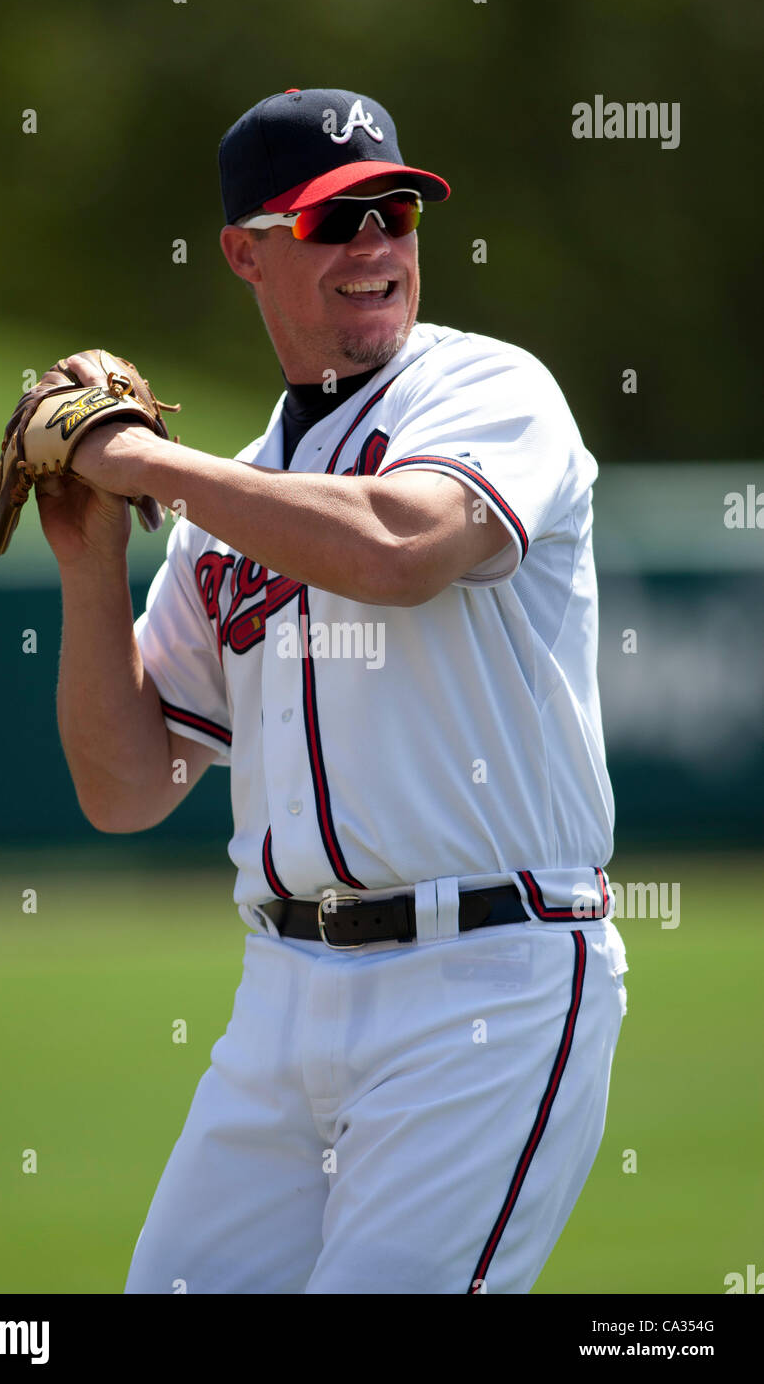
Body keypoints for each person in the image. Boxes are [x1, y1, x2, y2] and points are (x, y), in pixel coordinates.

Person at [32, 87, 628, 1295]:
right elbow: (125, 786)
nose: (374, 246)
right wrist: (89, 549)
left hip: (485, 981)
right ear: (245, 252)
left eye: (392, 211)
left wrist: (136, 457)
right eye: (332, 220)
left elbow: (397, 549)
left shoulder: (487, 389)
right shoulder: (233, 491)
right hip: (279, 996)